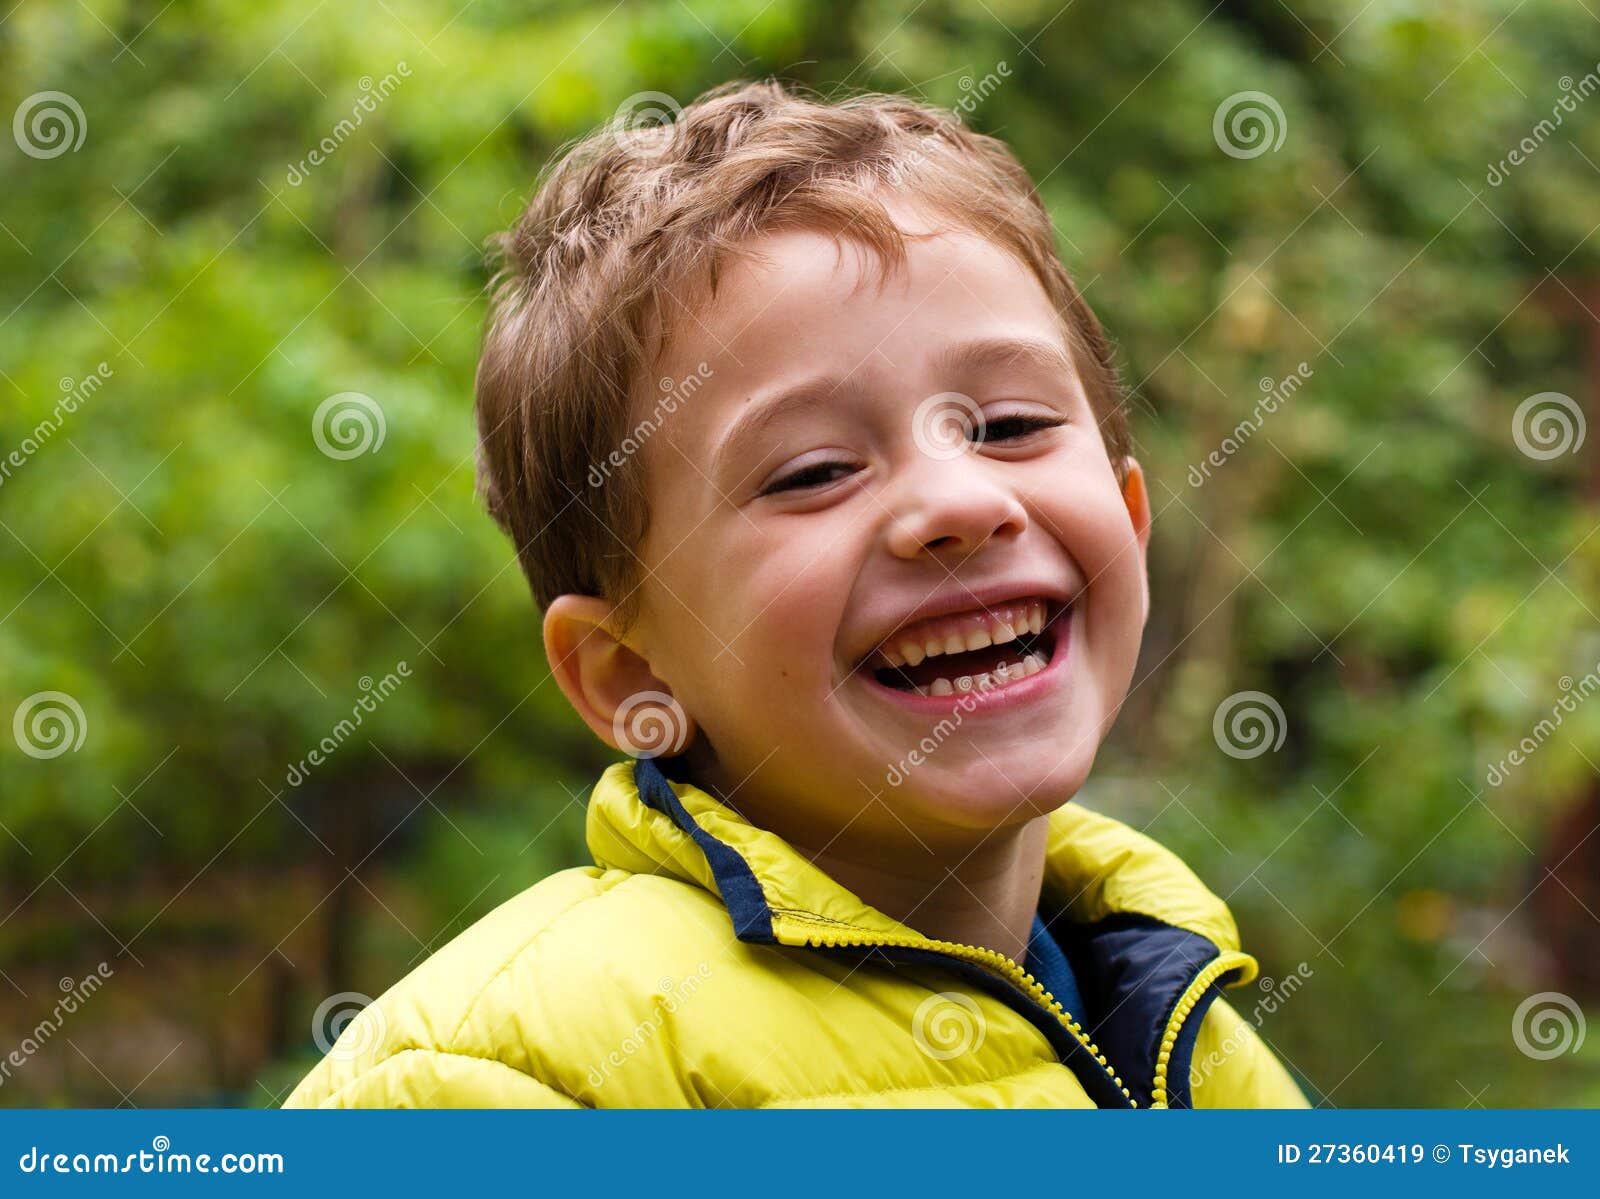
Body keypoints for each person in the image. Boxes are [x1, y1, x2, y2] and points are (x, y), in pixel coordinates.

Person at [286, 78, 1309, 1109]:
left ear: (1129, 519)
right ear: (628, 669)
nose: (959, 501)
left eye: (1007, 423)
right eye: (813, 470)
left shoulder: (1201, 1044)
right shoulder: (500, 1080)